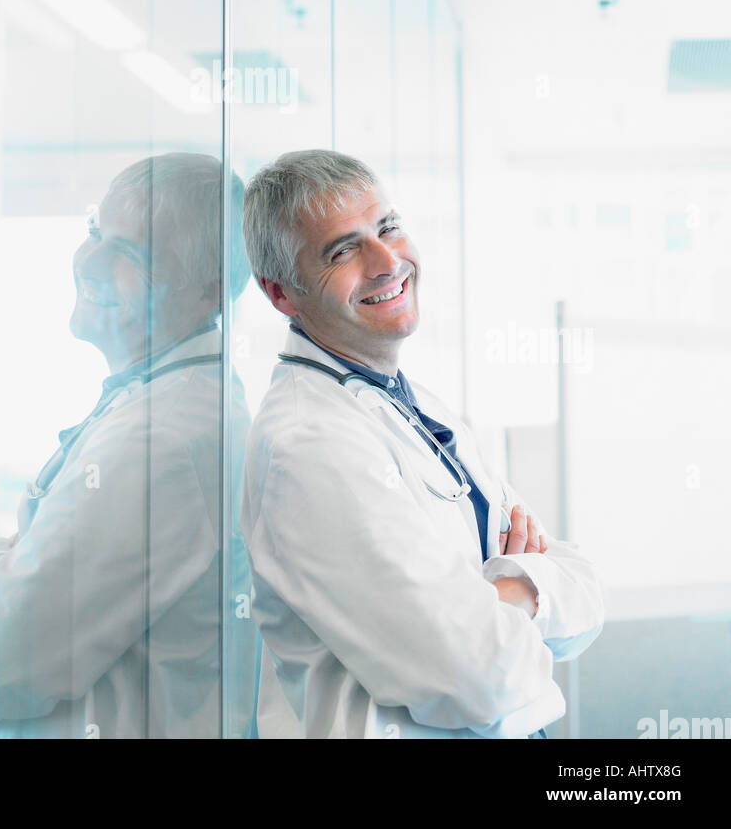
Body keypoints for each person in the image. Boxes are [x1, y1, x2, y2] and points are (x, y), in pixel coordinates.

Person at [240, 149, 603, 739]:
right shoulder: (310, 446)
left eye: (387, 227)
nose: (387, 261)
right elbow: (480, 677)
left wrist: (505, 597)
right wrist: (525, 588)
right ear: (282, 294)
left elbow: (585, 597)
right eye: (342, 250)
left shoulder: (420, 404)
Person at [0, 152, 255, 738]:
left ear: (209, 293)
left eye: (132, 255)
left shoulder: (161, 442)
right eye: (94, 233)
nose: (88, 261)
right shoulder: (164, 409)